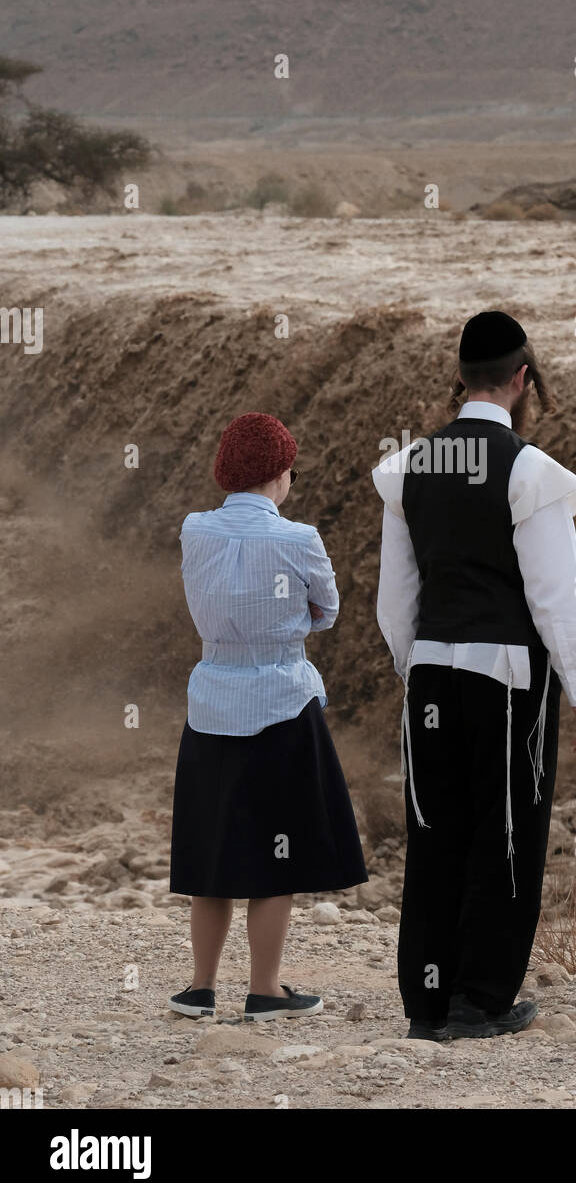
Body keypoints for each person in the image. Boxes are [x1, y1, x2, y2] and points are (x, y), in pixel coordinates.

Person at [372, 310, 576, 1041]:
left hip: (432, 673)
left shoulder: (409, 466)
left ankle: (427, 1005)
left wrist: (420, 671)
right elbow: (555, 592)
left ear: (460, 380)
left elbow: (393, 600)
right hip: (506, 678)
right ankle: (481, 1002)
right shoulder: (530, 471)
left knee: (436, 831)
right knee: (505, 834)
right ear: (523, 380)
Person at [169, 412, 367, 1023]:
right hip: (281, 703)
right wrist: (286, 626)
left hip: (210, 704)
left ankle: (200, 989)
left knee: (212, 855)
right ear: (280, 474)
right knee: (274, 857)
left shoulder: (194, 530)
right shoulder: (298, 538)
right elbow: (327, 610)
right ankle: (265, 991)